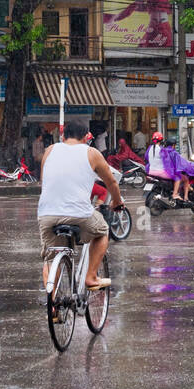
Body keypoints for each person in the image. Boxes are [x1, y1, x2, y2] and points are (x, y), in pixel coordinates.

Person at [37, 119, 123, 291]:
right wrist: (117, 201)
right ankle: (91, 277)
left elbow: (43, 179)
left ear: (63, 135)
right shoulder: (92, 153)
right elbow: (112, 182)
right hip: (79, 214)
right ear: (85, 137)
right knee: (102, 231)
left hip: (47, 214)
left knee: (51, 258)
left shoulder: (50, 150)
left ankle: (52, 305)